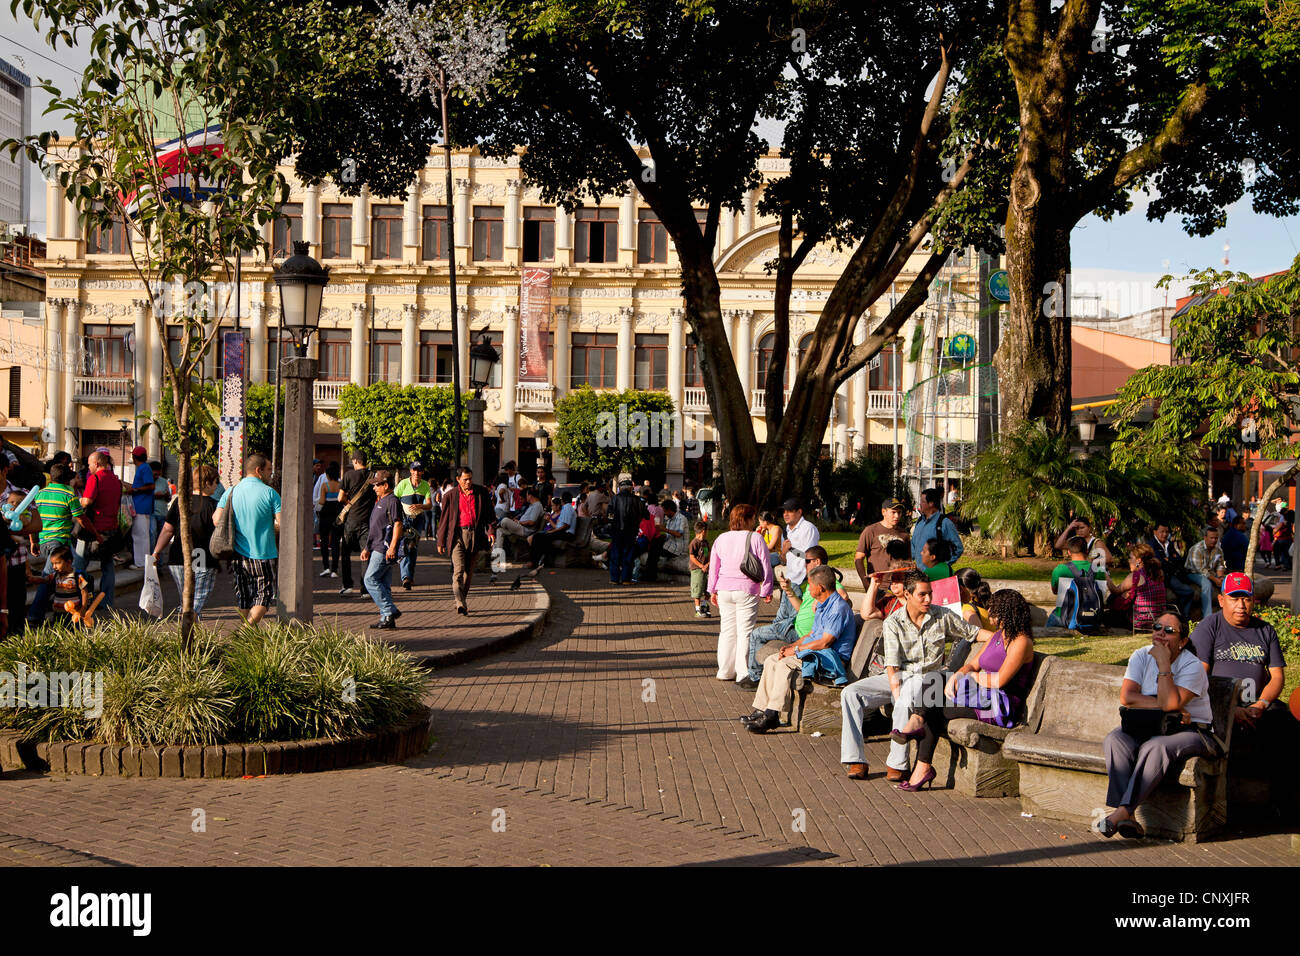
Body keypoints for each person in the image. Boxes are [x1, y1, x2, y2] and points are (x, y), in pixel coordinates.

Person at [839, 571, 996, 781]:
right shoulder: (893, 622)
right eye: (922, 594)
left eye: (930, 593)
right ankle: (855, 759)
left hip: (927, 681)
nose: (929, 599)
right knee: (850, 693)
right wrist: (895, 692)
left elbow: (973, 632)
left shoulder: (942, 615)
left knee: (906, 696)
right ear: (908, 594)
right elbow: (892, 666)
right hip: (897, 676)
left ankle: (898, 764)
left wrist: (1001, 639)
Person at [892, 588, 1036, 791]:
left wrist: (972, 677)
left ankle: (921, 763)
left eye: (994, 613)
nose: (991, 618)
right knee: (935, 680)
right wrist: (958, 675)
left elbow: (999, 681)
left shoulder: (1021, 642)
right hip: (981, 695)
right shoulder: (997, 637)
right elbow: (971, 665)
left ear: (1007, 613)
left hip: (999, 704)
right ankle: (918, 732)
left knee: (936, 709)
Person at [1095, 610, 1215, 839]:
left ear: (1183, 641)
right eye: (1157, 627)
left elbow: (1170, 702)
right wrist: (1167, 706)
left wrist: (1162, 663)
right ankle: (1127, 817)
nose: (1161, 633)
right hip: (1151, 725)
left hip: (1193, 731)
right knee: (1115, 739)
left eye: (1169, 631)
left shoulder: (1192, 666)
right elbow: (1128, 697)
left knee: (1156, 746)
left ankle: (1120, 812)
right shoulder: (1140, 655)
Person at [1190, 572, 1300, 808]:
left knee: (1291, 727)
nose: (1241, 605)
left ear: (1253, 600)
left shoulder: (1265, 630)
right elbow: (1198, 677)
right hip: (1220, 710)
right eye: (1234, 598)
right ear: (1221, 600)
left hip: (1258, 707)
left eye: (1246, 599)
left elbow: (1277, 677)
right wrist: (1231, 710)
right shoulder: (1210, 627)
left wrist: (1261, 704)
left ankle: (1285, 806)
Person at [743, 565, 858, 733]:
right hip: (816, 652)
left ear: (820, 588)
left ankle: (772, 714)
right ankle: (762, 708)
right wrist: (790, 646)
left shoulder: (837, 609)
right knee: (772, 659)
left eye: (810, 585)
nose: (808, 588)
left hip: (830, 659)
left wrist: (796, 651)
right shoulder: (822, 604)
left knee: (785, 664)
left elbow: (825, 642)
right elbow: (812, 634)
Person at [744, 545, 846, 686]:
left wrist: (825, 603)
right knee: (792, 588)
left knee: (756, 634)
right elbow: (800, 609)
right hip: (796, 626)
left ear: (817, 562)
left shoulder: (830, 585)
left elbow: (844, 597)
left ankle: (755, 677)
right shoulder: (814, 584)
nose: (804, 564)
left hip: (799, 633)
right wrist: (788, 591)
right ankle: (778, 624)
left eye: (807, 561)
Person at [708, 503, 775, 683]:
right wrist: (767, 588)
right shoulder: (756, 538)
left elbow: (714, 567)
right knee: (745, 631)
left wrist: (712, 590)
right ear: (747, 519)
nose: (754, 521)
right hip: (746, 588)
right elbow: (766, 565)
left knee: (727, 631)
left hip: (724, 588)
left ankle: (724, 670)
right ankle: (743, 672)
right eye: (752, 518)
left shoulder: (721, 538)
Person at [213, 453, 282, 625]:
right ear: (259, 471)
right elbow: (282, 523)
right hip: (263, 553)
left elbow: (216, 519)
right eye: (268, 470)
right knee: (264, 597)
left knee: (243, 596)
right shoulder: (271, 493)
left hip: (237, 554)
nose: (270, 474)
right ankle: (246, 629)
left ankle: (248, 633)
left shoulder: (231, 491)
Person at [26, 462, 97, 627]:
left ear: (51, 477)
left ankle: (62, 613)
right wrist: (96, 534)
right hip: (58, 544)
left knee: (55, 578)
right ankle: (35, 617)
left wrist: (33, 541)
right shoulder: (69, 494)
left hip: (44, 542)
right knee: (49, 579)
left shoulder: (40, 494)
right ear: (67, 479)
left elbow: (31, 520)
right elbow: (81, 518)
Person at [152, 465, 219, 618]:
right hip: (202, 556)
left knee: (187, 598)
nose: (217, 485)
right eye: (216, 481)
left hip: (178, 556)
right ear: (207, 483)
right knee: (196, 600)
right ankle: (188, 631)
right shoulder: (213, 506)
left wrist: (156, 551)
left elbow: (167, 530)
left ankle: (187, 631)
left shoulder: (180, 502)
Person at [436, 465, 495, 616]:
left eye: (470, 479)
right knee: (459, 570)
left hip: (475, 535)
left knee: (468, 572)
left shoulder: (481, 493)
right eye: (465, 479)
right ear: (458, 479)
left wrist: (491, 531)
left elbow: (490, 515)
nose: (468, 482)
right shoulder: (450, 496)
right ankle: (460, 602)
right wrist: (440, 541)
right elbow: (443, 520)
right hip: (457, 536)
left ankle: (462, 599)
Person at [77, 451, 122, 610]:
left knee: (79, 565)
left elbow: (87, 501)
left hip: (93, 529)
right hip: (112, 527)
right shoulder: (116, 480)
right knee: (108, 566)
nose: (88, 467)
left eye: (89, 464)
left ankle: (78, 598)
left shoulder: (95, 478)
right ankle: (107, 601)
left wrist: (79, 500)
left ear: (96, 463)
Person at [359, 470, 403, 629]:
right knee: (383, 584)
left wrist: (392, 547)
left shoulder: (392, 501)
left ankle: (389, 610)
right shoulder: (380, 501)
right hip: (376, 546)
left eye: (377, 485)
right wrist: (367, 547)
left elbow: (398, 524)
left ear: (385, 485)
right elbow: (375, 528)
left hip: (384, 549)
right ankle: (387, 619)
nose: (374, 487)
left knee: (369, 579)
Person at [336, 453, 375, 597]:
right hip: (367, 521)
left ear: (357, 461)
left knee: (345, 553)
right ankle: (365, 589)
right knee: (366, 555)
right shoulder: (373, 476)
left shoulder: (348, 475)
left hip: (351, 521)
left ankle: (347, 586)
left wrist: (349, 503)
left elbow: (340, 497)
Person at [1046, 535, 1105, 627]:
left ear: (1069, 552)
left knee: (1052, 619)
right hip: (1094, 616)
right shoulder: (1099, 570)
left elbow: (1055, 591)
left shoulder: (1060, 569)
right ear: (1087, 551)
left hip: (1064, 617)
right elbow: (1102, 591)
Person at [853, 497, 910, 590]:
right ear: (884, 512)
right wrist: (865, 582)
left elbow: (907, 561)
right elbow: (859, 558)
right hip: (878, 586)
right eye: (893, 512)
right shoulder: (870, 531)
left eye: (899, 512)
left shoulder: (904, 535)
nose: (897, 516)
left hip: (898, 586)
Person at [1109, 543, 1168, 631]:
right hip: (1160, 619)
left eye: (1131, 558)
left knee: (1110, 606)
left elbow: (1115, 590)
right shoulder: (1157, 572)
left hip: (1142, 620)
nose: (1129, 561)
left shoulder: (1137, 575)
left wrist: (1106, 577)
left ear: (1138, 560)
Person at [394, 460, 433, 589]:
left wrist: (420, 505)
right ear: (410, 471)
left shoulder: (425, 485)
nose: (416, 473)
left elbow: (429, 505)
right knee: (405, 546)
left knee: (413, 548)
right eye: (414, 470)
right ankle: (405, 577)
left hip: (418, 520)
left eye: (419, 470)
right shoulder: (403, 484)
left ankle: (410, 576)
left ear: (422, 472)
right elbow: (394, 500)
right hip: (405, 519)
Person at [38, 544, 96, 627]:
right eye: (53, 564)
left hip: (73, 614)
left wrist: (83, 609)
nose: (54, 567)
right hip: (58, 613)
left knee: (74, 633)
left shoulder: (77, 576)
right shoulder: (55, 575)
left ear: (68, 562)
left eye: (57, 563)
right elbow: (44, 579)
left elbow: (84, 593)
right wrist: (31, 578)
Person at [1147, 522, 1194, 615]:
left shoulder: (1169, 543)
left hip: (1171, 574)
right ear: (1155, 532)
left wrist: (1169, 560)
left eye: (1167, 532)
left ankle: (1184, 615)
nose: (1164, 534)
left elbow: (1179, 559)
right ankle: (1183, 616)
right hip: (1159, 576)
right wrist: (1170, 560)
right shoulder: (1151, 544)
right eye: (1162, 532)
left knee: (1189, 591)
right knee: (1187, 591)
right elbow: (1159, 562)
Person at [608, 479, 648, 585]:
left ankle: (614, 579)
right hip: (631, 531)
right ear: (631, 488)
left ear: (620, 489)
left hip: (617, 530)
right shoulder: (637, 500)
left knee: (615, 555)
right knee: (628, 555)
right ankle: (626, 579)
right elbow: (646, 515)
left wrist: (612, 522)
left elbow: (609, 515)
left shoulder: (614, 499)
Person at [910, 488, 962, 568]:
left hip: (936, 577)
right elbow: (913, 547)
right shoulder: (919, 522)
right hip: (920, 576)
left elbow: (958, 548)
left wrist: (942, 567)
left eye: (923, 502)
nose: (920, 504)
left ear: (931, 503)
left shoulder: (945, 523)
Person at [1184, 526, 1226, 621]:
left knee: (1226, 582)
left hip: (1210, 572)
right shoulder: (1197, 549)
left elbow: (1220, 565)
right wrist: (1215, 580)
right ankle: (1207, 617)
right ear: (1205, 538)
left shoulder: (1218, 549)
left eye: (1216, 538)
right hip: (1193, 573)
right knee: (1206, 585)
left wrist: (1220, 577)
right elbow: (1201, 570)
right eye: (1211, 538)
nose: (1214, 540)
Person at [530, 493, 576, 569]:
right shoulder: (567, 508)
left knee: (538, 536)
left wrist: (554, 531)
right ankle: (544, 561)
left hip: (566, 534)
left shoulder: (567, 508)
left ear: (562, 500)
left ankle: (534, 562)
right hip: (562, 532)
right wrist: (553, 530)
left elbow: (566, 526)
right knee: (543, 537)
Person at [128, 446, 155, 569]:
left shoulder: (144, 468)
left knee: (140, 536)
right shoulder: (143, 468)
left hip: (141, 506)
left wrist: (135, 489)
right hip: (142, 506)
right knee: (141, 535)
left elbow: (151, 486)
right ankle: (142, 562)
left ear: (134, 457)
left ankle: (141, 563)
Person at [317, 462, 343, 578]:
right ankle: (334, 570)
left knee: (324, 541)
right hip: (337, 513)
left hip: (326, 513)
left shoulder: (325, 485)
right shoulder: (340, 485)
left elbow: (322, 501)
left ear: (327, 475)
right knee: (335, 542)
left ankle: (326, 567)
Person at [659, 498, 689, 574]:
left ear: (669, 510)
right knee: (654, 543)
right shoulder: (669, 520)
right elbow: (668, 535)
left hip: (677, 549)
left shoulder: (681, 518)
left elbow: (679, 534)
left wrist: (665, 529)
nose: (664, 514)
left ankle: (649, 575)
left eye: (665, 511)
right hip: (670, 546)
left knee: (655, 551)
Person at [688, 520, 711, 617]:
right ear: (703, 531)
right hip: (697, 570)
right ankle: (697, 609)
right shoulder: (694, 543)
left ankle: (704, 605)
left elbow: (707, 554)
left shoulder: (705, 542)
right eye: (706, 531)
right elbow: (692, 556)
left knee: (708, 588)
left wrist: (708, 564)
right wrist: (701, 565)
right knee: (697, 588)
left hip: (706, 569)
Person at [310, 458, 326, 548]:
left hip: (314, 503)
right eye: (317, 466)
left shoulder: (317, 476)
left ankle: (315, 542)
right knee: (314, 521)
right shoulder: (311, 476)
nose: (319, 468)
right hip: (311, 502)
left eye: (320, 466)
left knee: (315, 521)